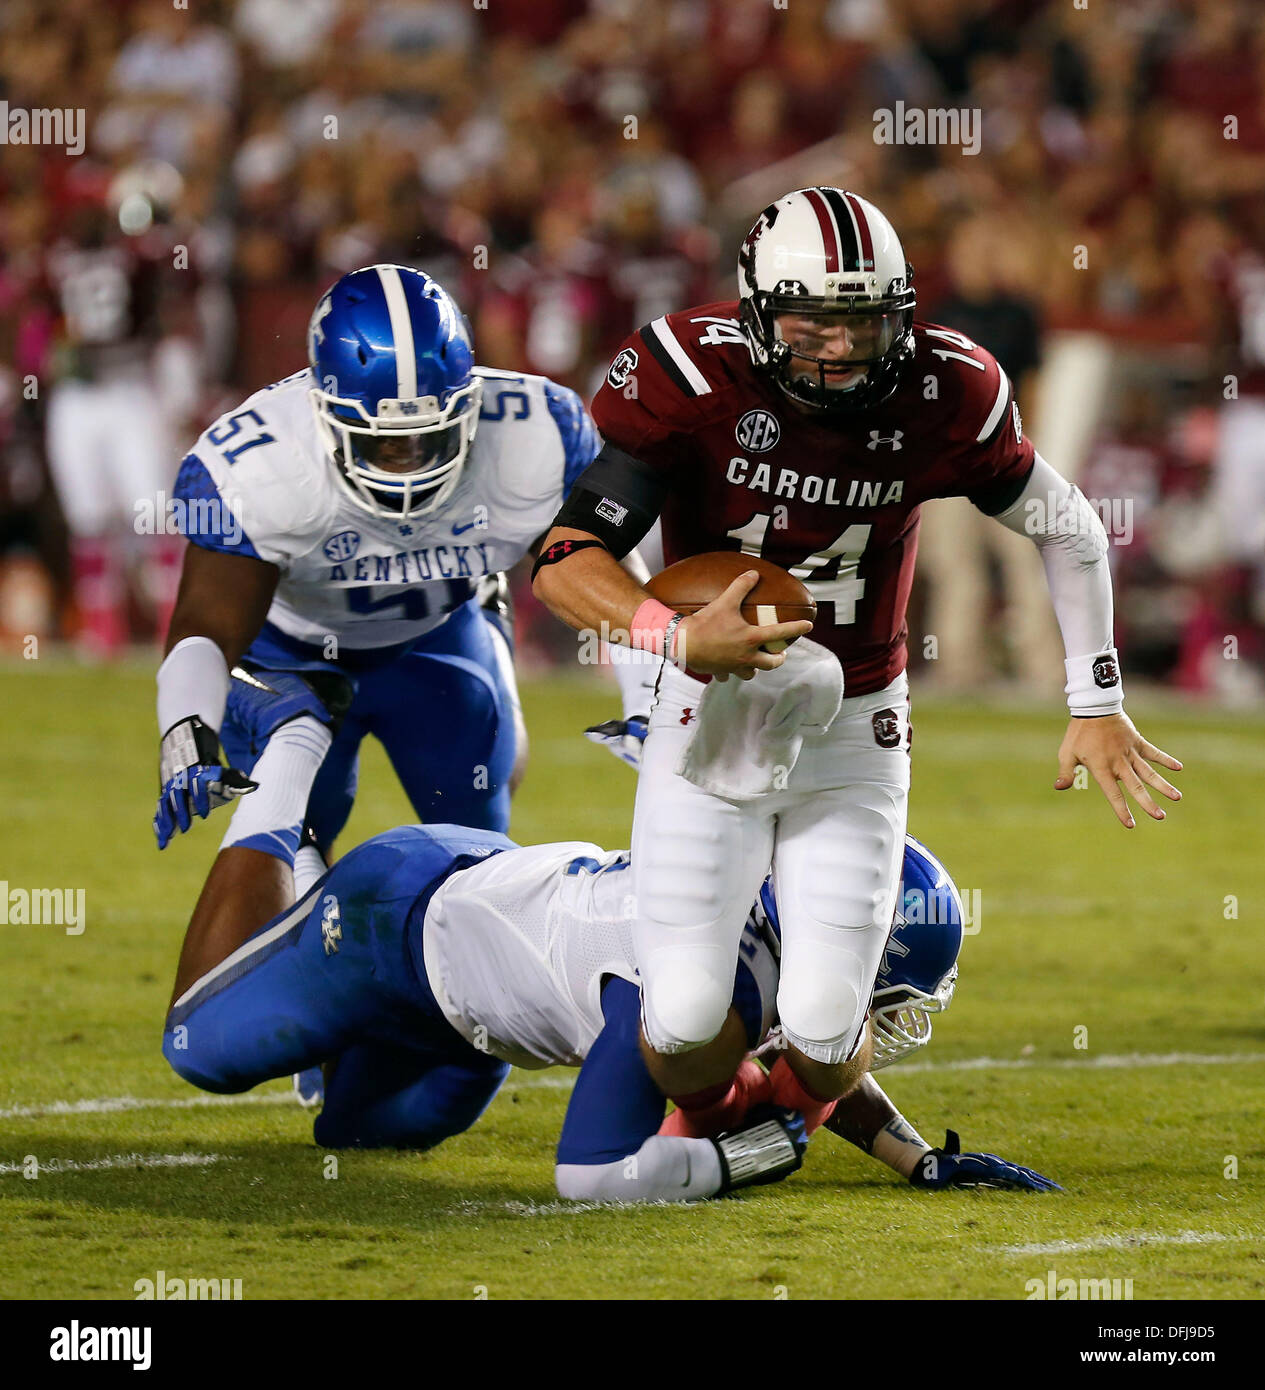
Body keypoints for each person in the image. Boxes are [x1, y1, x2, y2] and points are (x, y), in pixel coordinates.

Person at [530, 186, 1183, 1135]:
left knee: (827, 1029)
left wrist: (1094, 698)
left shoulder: (943, 389)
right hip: (713, 707)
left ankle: (794, 1111)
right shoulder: (684, 375)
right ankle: (739, 1115)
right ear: (755, 310)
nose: (838, 347)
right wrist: (670, 636)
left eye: (863, 324)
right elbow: (562, 559)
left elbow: (1069, 528)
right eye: (810, 322)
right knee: (676, 1020)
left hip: (856, 718)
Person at [161, 684, 1056, 1201]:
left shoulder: (764, 942)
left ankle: (322, 1029)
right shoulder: (693, 977)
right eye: (873, 994)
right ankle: (290, 750)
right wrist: (754, 1154)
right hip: (388, 926)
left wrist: (917, 1158)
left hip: (471, 1003)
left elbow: (812, 1053)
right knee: (199, 1051)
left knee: (357, 1138)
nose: (869, 1021)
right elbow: (589, 1176)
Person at [153, 264, 599, 864]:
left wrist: (653, 697)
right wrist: (185, 726)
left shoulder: (537, 431)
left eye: (426, 438)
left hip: (437, 638)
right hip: (293, 658)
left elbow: (612, 572)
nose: (406, 461)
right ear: (323, 411)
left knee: (482, 846)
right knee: (295, 861)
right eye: (381, 440)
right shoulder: (261, 464)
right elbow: (204, 626)